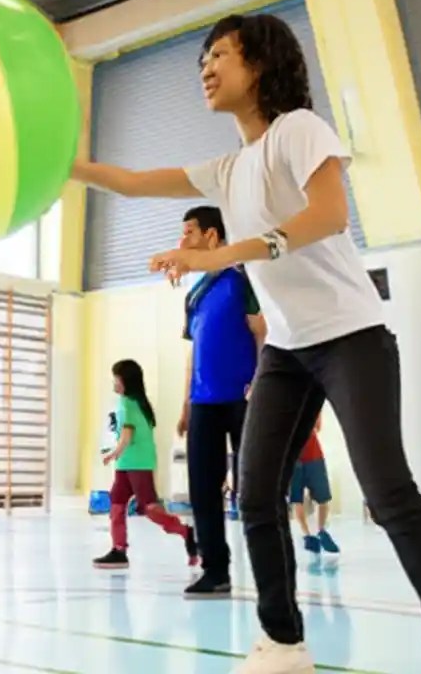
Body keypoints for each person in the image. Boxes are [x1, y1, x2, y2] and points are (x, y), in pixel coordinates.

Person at [71, 13, 421, 673]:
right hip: (287, 354)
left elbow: (328, 215)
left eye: (220, 55)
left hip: (352, 336)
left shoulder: (299, 129)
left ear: (259, 64)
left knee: (387, 492)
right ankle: (284, 643)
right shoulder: (226, 169)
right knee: (255, 494)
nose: (206, 68)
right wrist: (59, 164)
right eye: (202, 58)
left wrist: (224, 255)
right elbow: (130, 181)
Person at [176, 205, 265, 598]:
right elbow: (193, 352)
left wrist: (262, 384)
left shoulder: (243, 278)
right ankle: (215, 570)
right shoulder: (195, 294)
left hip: (243, 400)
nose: (183, 242)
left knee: (257, 490)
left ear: (212, 236)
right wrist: (186, 404)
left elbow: (262, 332)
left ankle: (269, 574)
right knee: (202, 490)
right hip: (204, 404)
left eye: (190, 233)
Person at [94, 359, 198, 570]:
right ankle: (119, 550)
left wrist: (112, 454)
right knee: (116, 503)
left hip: (137, 463)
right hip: (127, 464)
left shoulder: (128, 404)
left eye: (116, 378)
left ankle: (186, 532)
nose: (114, 382)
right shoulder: (137, 402)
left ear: (125, 381)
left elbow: (127, 436)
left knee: (149, 508)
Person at [289, 413, 339, 565]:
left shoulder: (313, 406)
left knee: (321, 497)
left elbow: (317, 427)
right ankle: (309, 535)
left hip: (312, 456)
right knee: (296, 498)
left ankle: (320, 530)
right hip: (295, 457)